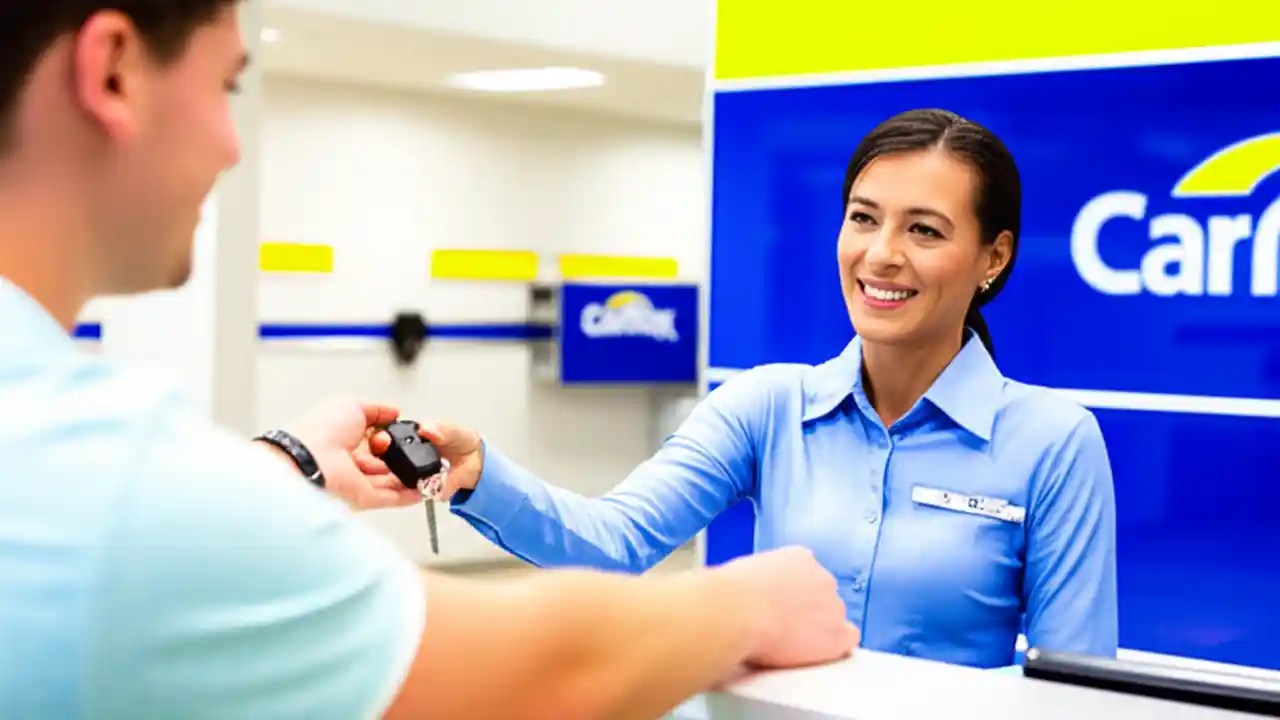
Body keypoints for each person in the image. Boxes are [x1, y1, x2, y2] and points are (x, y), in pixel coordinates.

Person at [0, 3, 860, 718]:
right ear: (113, 69)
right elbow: (547, 677)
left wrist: (289, 465)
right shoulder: (107, 469)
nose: (235, 144)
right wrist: (750, 601)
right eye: (228, 86)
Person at [427, 108, 1120, 669]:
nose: (881, 253)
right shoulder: (766, 407)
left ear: (992, 258)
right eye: (863, 217)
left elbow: (1075, 681)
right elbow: (614, 542)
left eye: (925, 230)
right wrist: (480, 475)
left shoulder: (1052, 441)